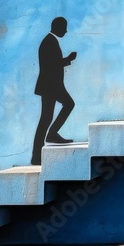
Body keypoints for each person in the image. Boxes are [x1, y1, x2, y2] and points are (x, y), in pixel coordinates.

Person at [30, 16, 78, 165]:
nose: (66, 31)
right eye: (64, 27)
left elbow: (52, 64)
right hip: (51, 86)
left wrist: (66, 60)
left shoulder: (50, 41)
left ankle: (38, 154)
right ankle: (50, 136)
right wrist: (69, 58)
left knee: (46, 118)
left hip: (51, 86)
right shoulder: (49, 42)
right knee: (66, 106)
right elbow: (52, 65)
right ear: (57, 27)